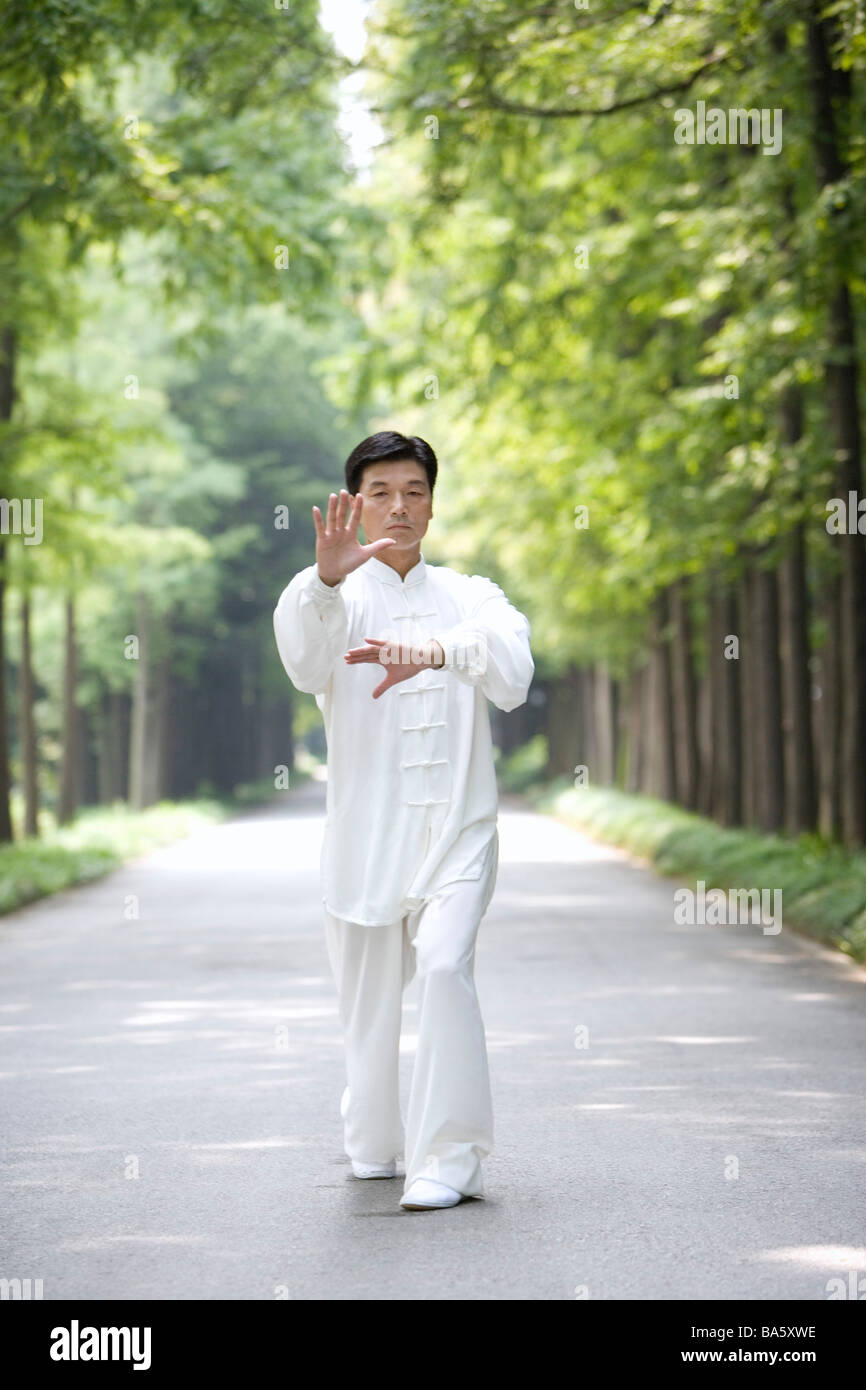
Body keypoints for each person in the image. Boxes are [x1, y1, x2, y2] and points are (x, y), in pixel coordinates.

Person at [272, 431, 534, 1210]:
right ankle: (381, 1141)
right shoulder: (328, 593)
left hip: (458, 830)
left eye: (414, 491)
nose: (399, 506)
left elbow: (513, 674)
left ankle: (452, 1157)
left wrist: (436, 653)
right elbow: (304, 666)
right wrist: (322, 580)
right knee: (369, 1024)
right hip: (366, 836)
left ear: (432, 501)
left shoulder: (470, 593)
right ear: (354, 502)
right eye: (381, 491)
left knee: (447, 967)